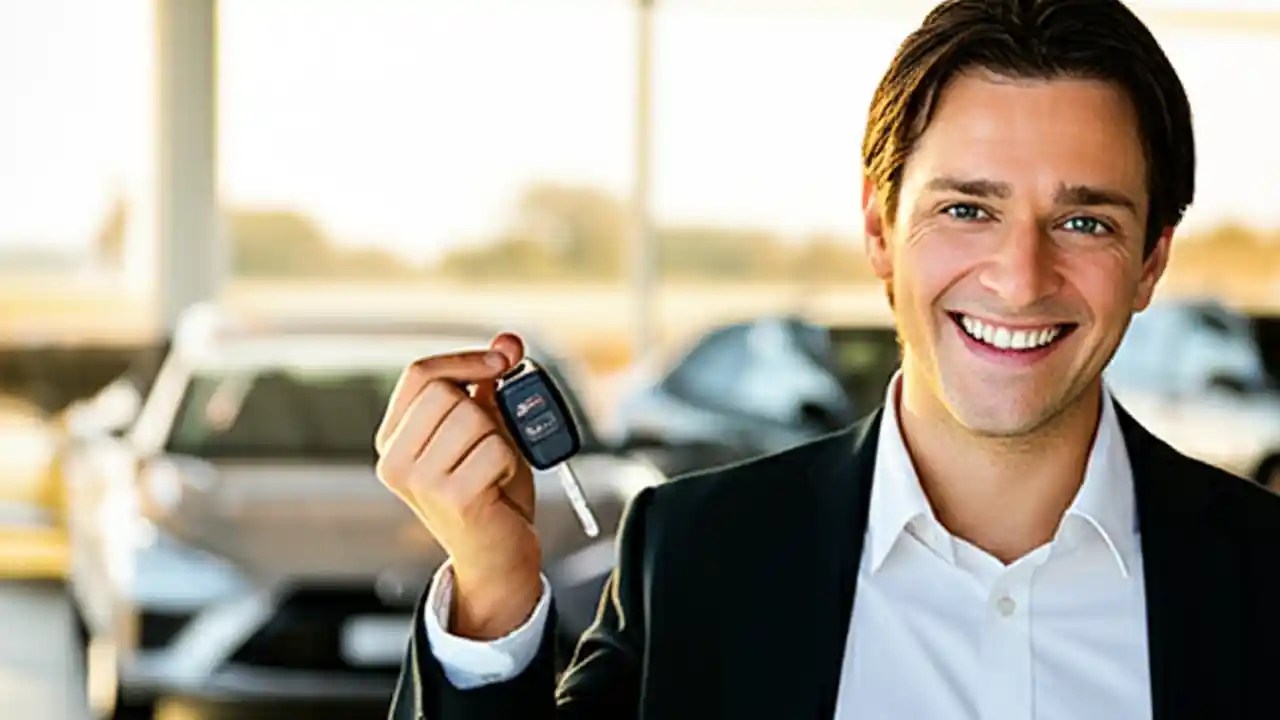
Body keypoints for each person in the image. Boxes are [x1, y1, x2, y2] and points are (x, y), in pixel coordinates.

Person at [379, 0, 1280, 717]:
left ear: (1151, 260)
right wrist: (492, 597)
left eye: (1084, 222)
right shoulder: (697, 557)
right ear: (879, 227)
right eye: (967, 210)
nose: (1019, 279)